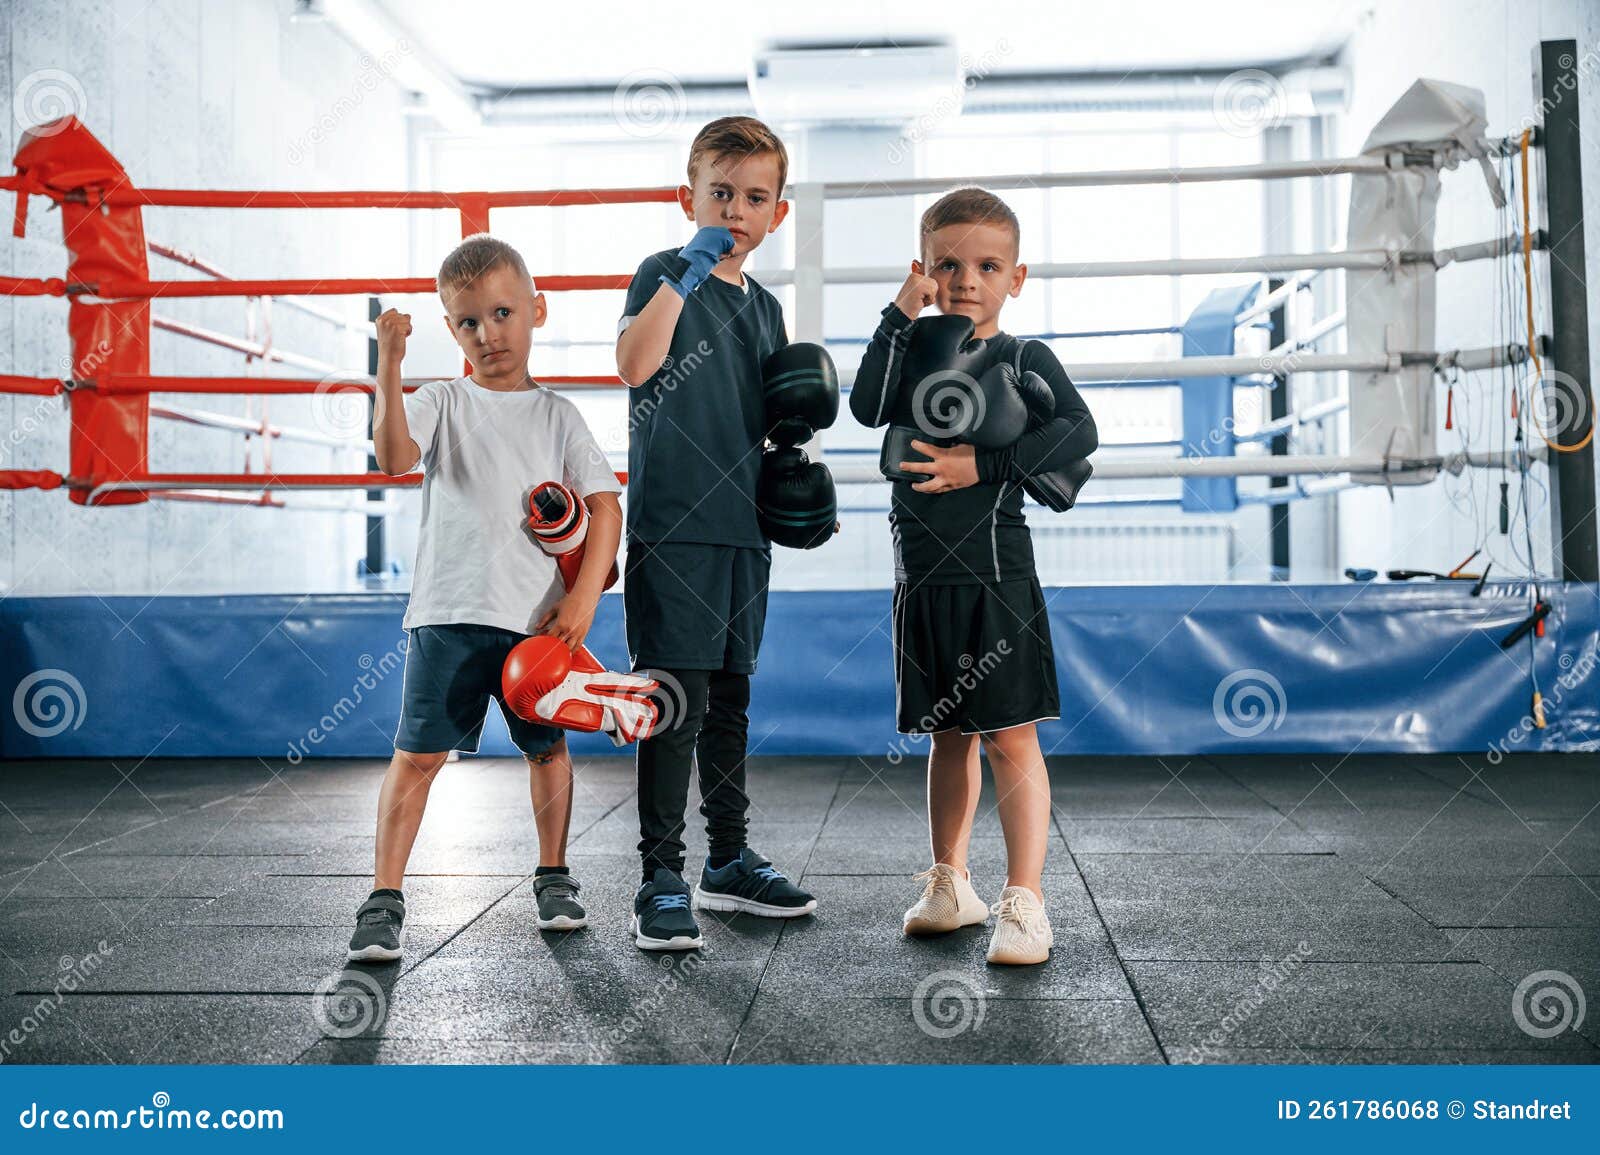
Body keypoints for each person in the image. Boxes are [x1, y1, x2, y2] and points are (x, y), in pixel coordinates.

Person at [346, 234, 623, 962]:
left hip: (538, 625)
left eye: (502, 313)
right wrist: (390, 366)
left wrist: (585, 599)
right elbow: (396, 457)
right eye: (469, 322)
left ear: (536, 309)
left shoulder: (559, 416)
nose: (488, 333)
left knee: (548, 751)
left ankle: (554, 875)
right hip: (446, 615)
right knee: (416, 757)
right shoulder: (440, 398)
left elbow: (607, 509)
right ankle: (383, 898)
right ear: (451, 330)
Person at [849, 188, 1098, 965]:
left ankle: (1026, 900)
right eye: (947, 264)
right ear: (924, 270)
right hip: (921, 575)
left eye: (987, 266)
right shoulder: (912, 354)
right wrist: (899, 311)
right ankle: (952, 883)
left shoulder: (1022, 359)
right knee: (946, 736)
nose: (966, 280)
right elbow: (862, 408)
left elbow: (1080, 428)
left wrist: (979, 464)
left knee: (1008, 739)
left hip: (996, 576)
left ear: (1015, 277)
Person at [614, 116, 821, 950]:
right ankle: (660, 876)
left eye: (755, 197)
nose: (737, 210)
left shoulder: (768, 309)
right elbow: (633, 365)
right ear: (687, 197)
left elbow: (771, 428)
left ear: (779, 211)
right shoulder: (663, 274)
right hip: (674, 527)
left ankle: (726, 861)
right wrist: (688, 274)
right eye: (721, 193)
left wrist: (796, 463)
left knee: (730, 700)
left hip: (743, 531)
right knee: (674, 702)